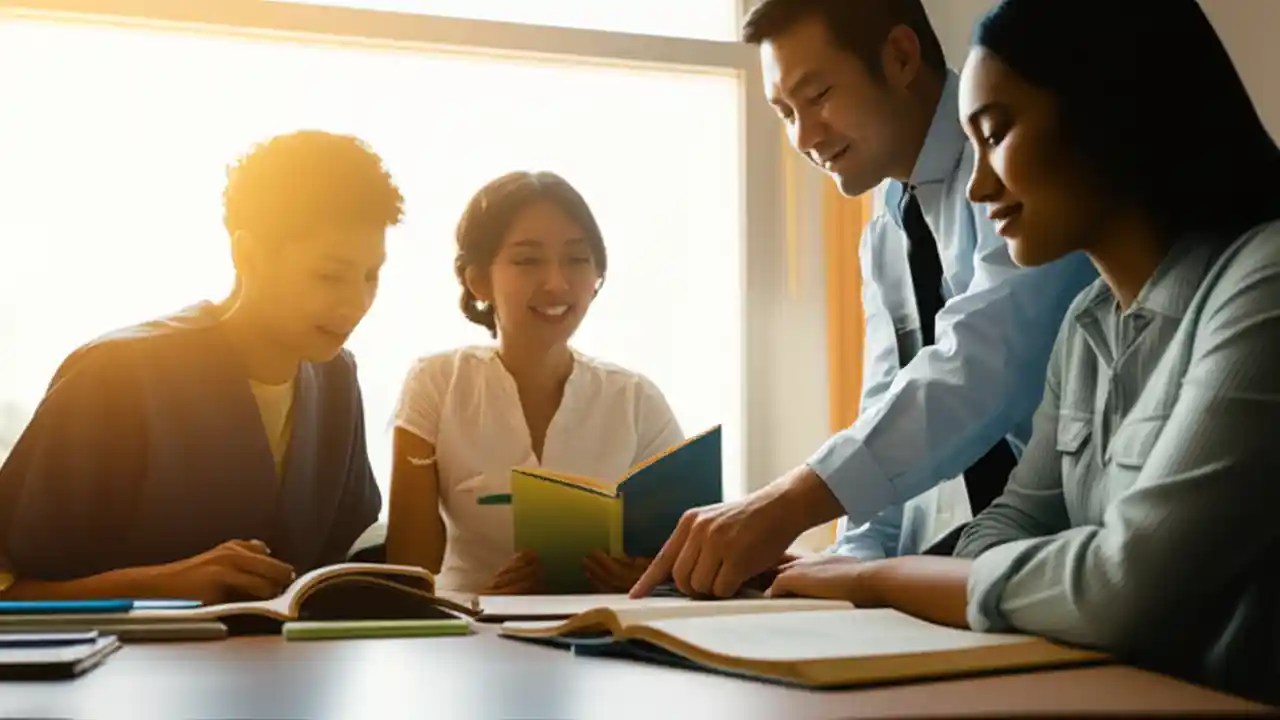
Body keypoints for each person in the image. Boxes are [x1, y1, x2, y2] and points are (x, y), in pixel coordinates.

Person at [767, 0, 1280, 702]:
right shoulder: (1086, 323)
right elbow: (1007, 526)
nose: (979, 185)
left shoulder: (1265, 283)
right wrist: (861, 573)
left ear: (1108, 107)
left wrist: (876, 579)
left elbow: (1118, 586)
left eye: (997, 134)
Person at [632, 0, 1095, 599]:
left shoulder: (1017, 176)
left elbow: (986, 365)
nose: (803, 136)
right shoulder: (886, 223)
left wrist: (786, 504)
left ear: (901, 56)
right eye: (784, 112)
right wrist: (848, 561)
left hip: (1066, 551)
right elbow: (884, 399)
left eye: (818, 95)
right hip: (962, 556)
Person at [0, 130, 403, 604]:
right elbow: (13, 590)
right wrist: (160, 585)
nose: (356, 303)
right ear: (247, 254)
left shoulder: (336, 381)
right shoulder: (113, 375)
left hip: (284, 671)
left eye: (371, 276)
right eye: (328, 275)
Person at [385, 171, 684, 595]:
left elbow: (684, 562)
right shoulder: (435, 384)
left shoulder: (635, 399)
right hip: (468, 638)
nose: (557, 283)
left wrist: (649, 582)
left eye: (577, 260)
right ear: (479, 281)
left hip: (604, 636)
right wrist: (485, 602)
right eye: (528, 260)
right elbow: (407, 575)